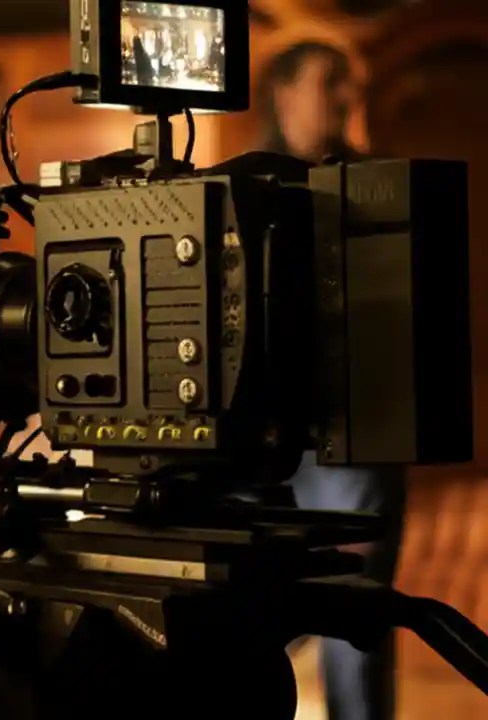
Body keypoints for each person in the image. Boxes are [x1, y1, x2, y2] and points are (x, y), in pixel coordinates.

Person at [259, 42, 406, 720]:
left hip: (353, 428)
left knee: (353, 613)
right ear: (285, 92)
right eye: (331, 84)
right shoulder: (247, 183)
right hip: (260, 433)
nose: (347, 99)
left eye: (351, 86)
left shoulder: (374, 188)